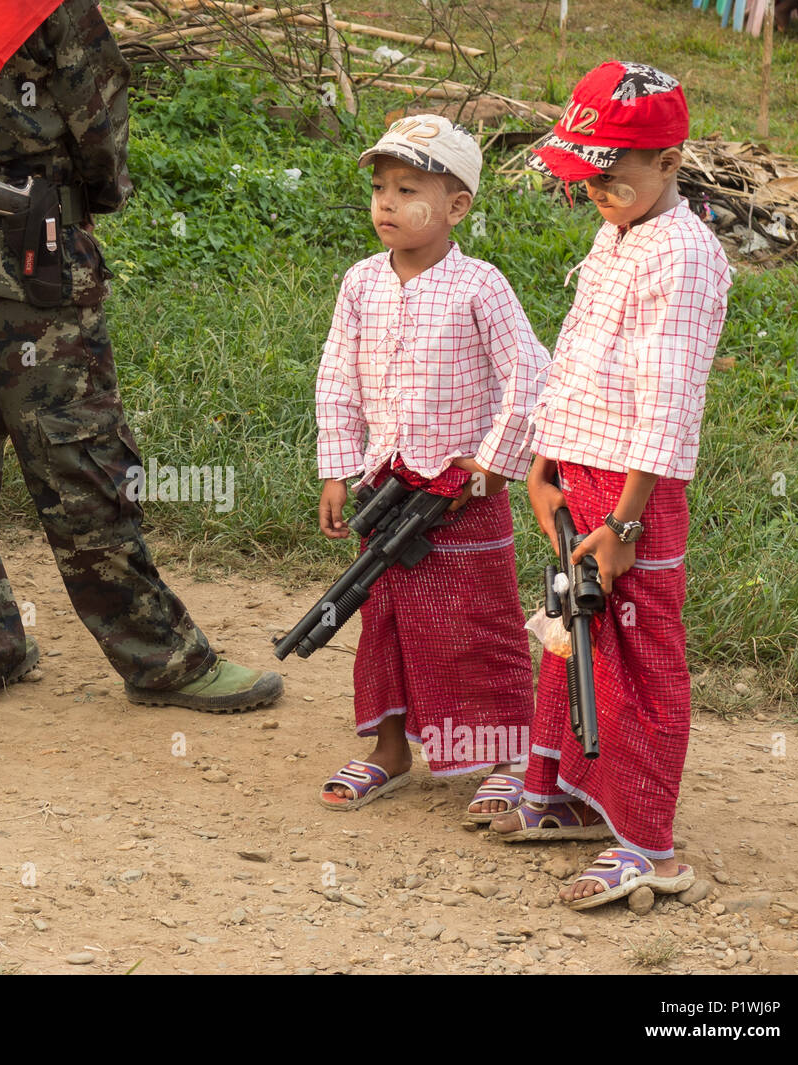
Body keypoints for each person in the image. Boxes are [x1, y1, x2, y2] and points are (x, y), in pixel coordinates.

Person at [0, 0, 283, 710]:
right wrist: (90, 197)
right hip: (30, 257)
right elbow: (98, 119)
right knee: (82, 456)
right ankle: (162, 658)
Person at [490, 62, 731, 910]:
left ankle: (651, 844)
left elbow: (668, 411)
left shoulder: (686, 260)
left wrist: (624, 527)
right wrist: (542, 463)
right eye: (586, 169)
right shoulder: (616, 233)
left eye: (616, 169)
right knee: (572, 625)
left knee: (640, 650)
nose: (597, 184)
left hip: (637, 495)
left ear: (670, 161)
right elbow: (579, 358)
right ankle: (564, 793)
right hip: (580, 474)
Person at [314, 117, 549, 819]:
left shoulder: (481, 287)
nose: (386, 202)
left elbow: (528, 377)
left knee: (475, 625)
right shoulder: (360, 284)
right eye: (381, 187)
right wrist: (337, 466)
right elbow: (337, 377)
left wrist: (492, 464)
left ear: (457, 206)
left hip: (463, 495)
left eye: (409, 188)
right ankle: (389, 748)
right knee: (382, 618)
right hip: (386, 490)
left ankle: (507, 756)